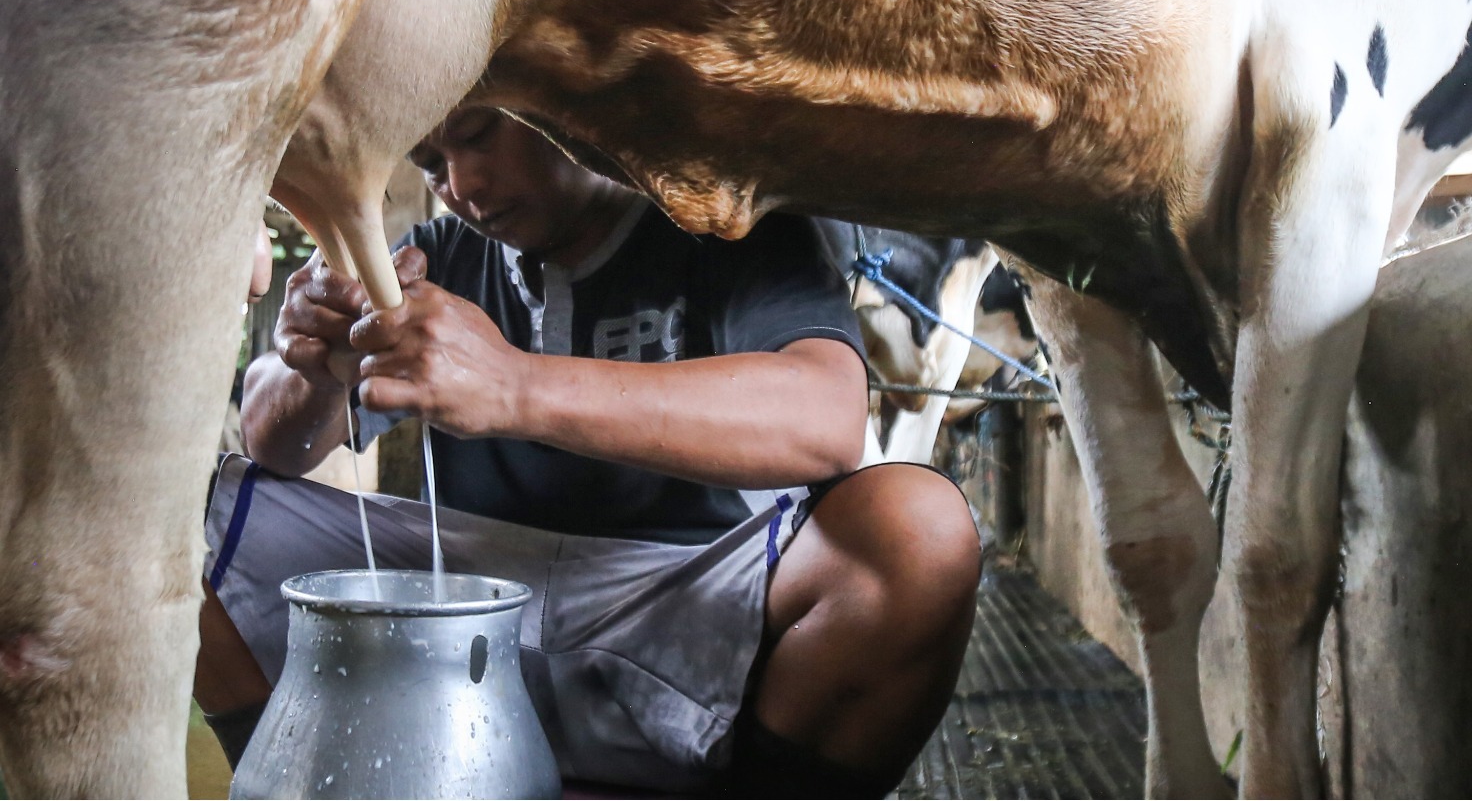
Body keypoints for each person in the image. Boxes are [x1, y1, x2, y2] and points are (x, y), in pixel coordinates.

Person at [197, 107, 982, 796]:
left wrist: (515, 385)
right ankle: (309, 777)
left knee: (918, 532)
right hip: (470, 607)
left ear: (572, 109)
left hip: (688, 606)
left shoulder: (720, 229)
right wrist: (316, 361)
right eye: (431, 164)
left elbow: (825, 417)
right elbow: (272, 441)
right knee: (171, 524)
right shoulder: (437, 255)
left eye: (479, 135)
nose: (464, 183)